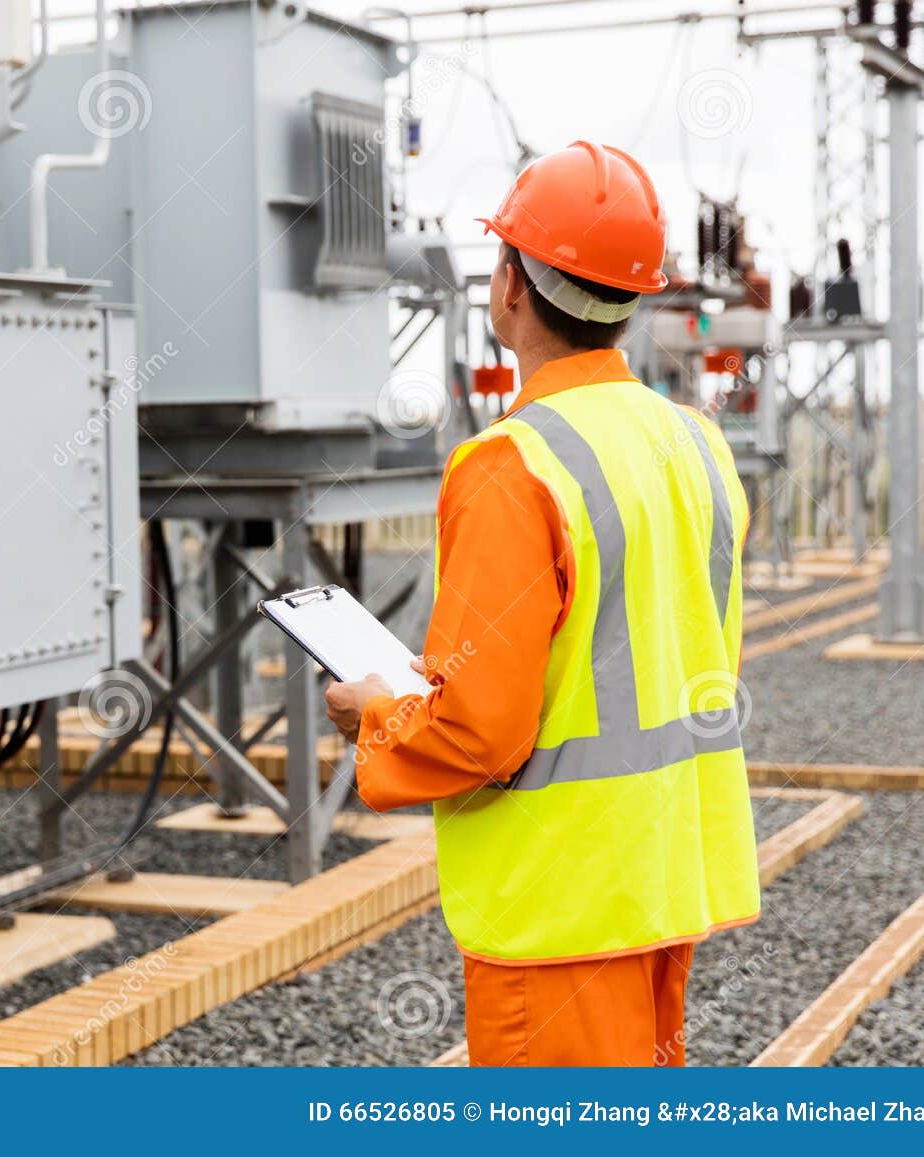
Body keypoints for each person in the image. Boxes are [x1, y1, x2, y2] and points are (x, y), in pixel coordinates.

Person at [325, 141, 760, 1067]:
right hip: (665, 879)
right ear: (634, 299)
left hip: (563, 907)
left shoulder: (511, 466)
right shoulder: (697, 445)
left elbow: (479, 733)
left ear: (510, 285)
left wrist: (377, 714)